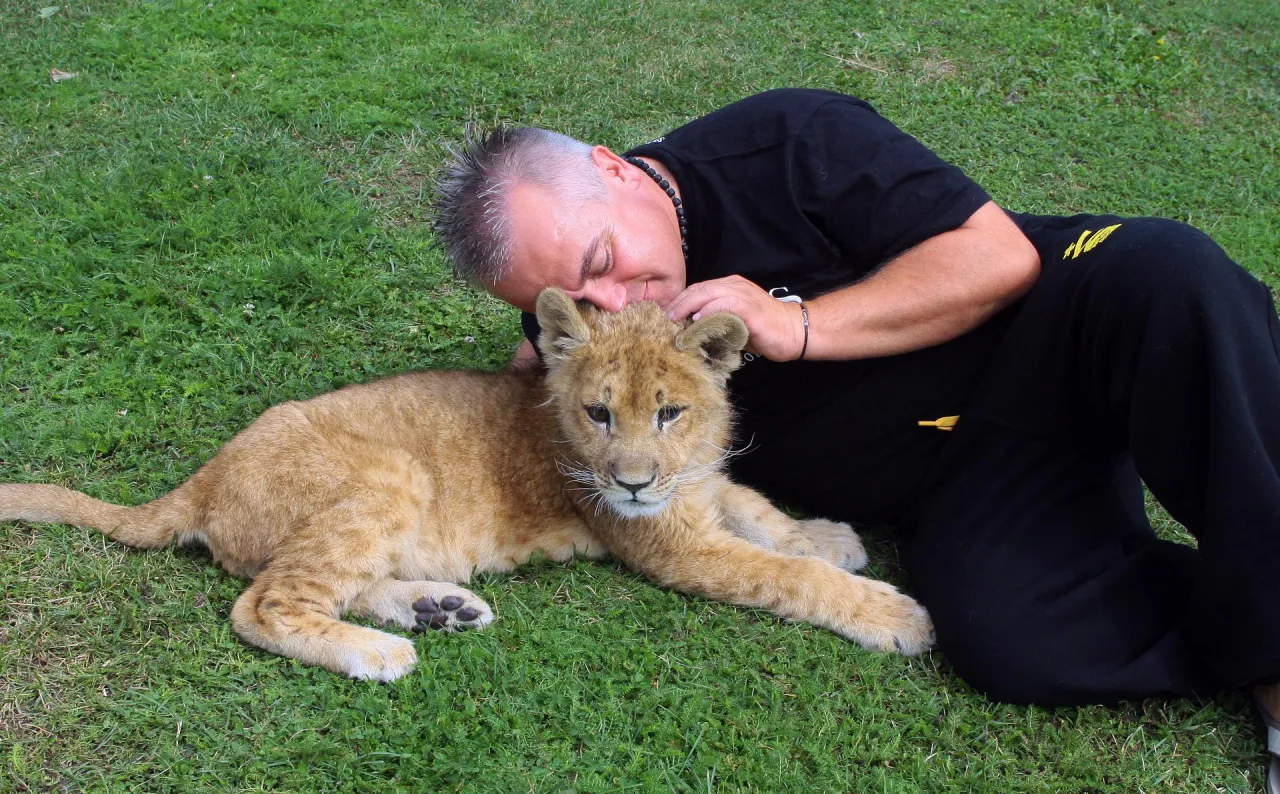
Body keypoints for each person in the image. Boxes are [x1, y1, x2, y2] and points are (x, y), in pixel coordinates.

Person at [430, 89, 1280, 789]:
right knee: (1010, 644)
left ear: (614, 169)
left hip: (1055, 335)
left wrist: (800, 324)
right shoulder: (584, 333)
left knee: (1172, 276)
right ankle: (1241, 601)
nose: (618, 303)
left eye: (603, 259)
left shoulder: (789, 139)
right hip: (966, 477)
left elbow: (999, 258)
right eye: (576, 301)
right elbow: (551, 383)